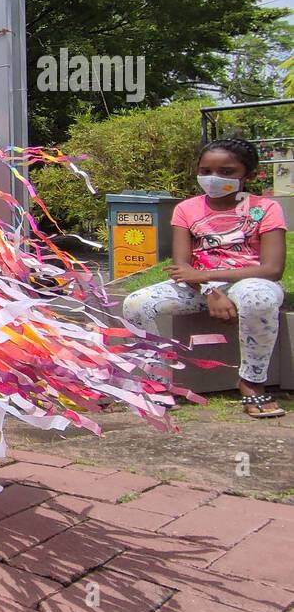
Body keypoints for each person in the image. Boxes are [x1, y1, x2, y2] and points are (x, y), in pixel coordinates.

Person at [123, 137, 287, 418]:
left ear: (246, 175)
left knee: (257, 298)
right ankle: (158, 383)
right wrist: (210, 288)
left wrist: (206, 276)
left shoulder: (265, 209)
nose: (213, 178)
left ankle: (251, 383)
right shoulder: (187, 209)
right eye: (205, 171)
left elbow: (272, 269)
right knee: (136, 303)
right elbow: (181, 267)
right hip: (200, 285)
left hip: (251, 280)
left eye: (226, 172)